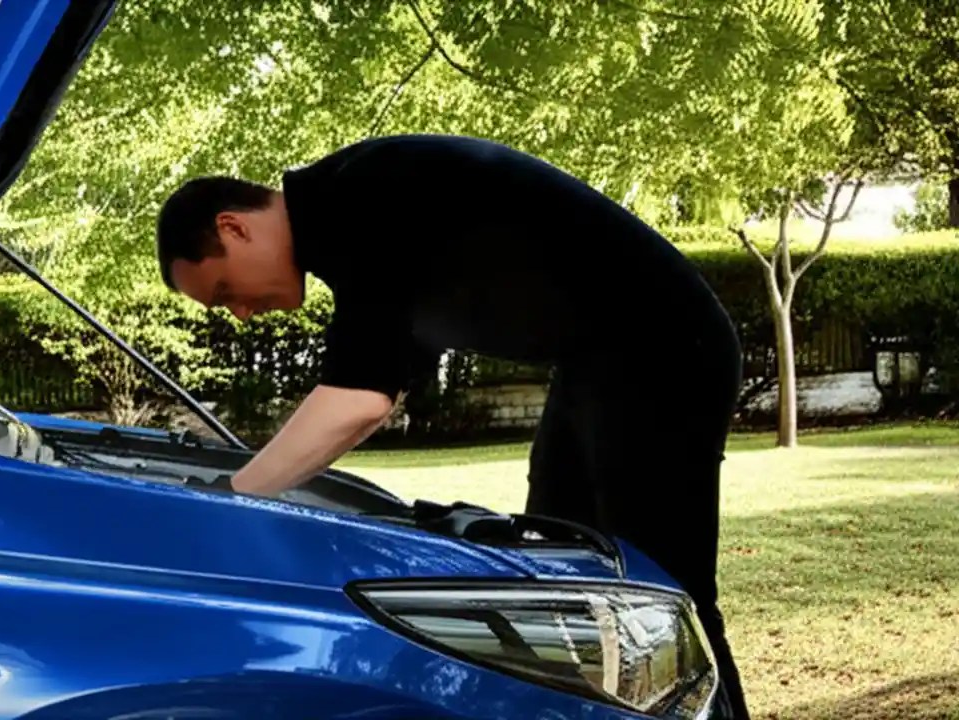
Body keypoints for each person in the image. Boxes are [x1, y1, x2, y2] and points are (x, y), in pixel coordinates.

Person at [153, 134, 750, 719]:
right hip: (596, 361)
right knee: (564, 587)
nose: (241, 312)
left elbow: (358, 399)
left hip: (663, 351)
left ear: (234, 227)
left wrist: (234, 499)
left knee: (669, 595)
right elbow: (367, 380)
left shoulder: (357, 201)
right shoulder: (349, 209)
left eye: (225, 290)